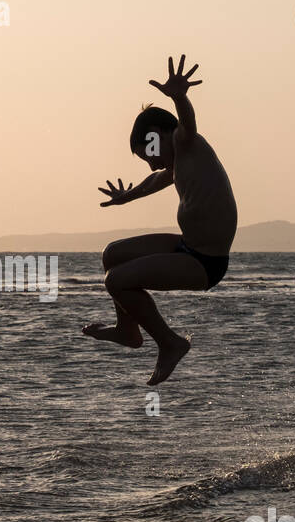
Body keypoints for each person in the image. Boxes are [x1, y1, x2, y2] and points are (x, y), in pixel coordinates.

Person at [82, 55, 238, 385]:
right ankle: (128, 330)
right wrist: (127, 197)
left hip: (205, 263)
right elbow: (156, 180)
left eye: (149, 154)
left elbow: (187, 123)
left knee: (116, 281)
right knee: (112, 254)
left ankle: (170, 342)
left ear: (160, 136)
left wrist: (180, 96)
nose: (151, 165)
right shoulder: (179, 161)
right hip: (187, 247)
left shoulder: (187, 142)